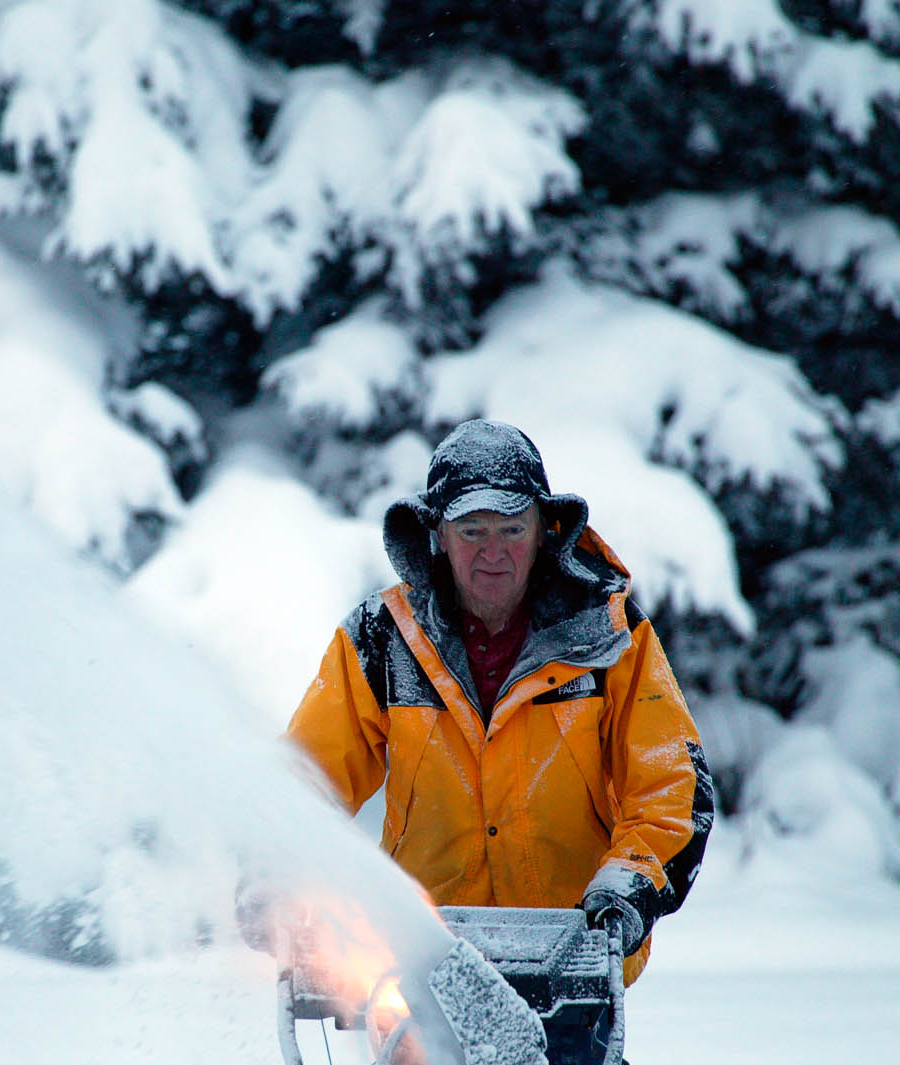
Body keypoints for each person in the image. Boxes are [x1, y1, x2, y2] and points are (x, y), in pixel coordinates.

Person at [287, 419, 713, 988]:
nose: (494, 553)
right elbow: (307, 774)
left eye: (512, 529)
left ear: (544, 530)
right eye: (472, 530)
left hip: (571, 957)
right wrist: (279, 876)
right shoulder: (380, 639)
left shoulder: (609, 638)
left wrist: (630, 882)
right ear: (437, 533)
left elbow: (672, 786)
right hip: (420, 962)